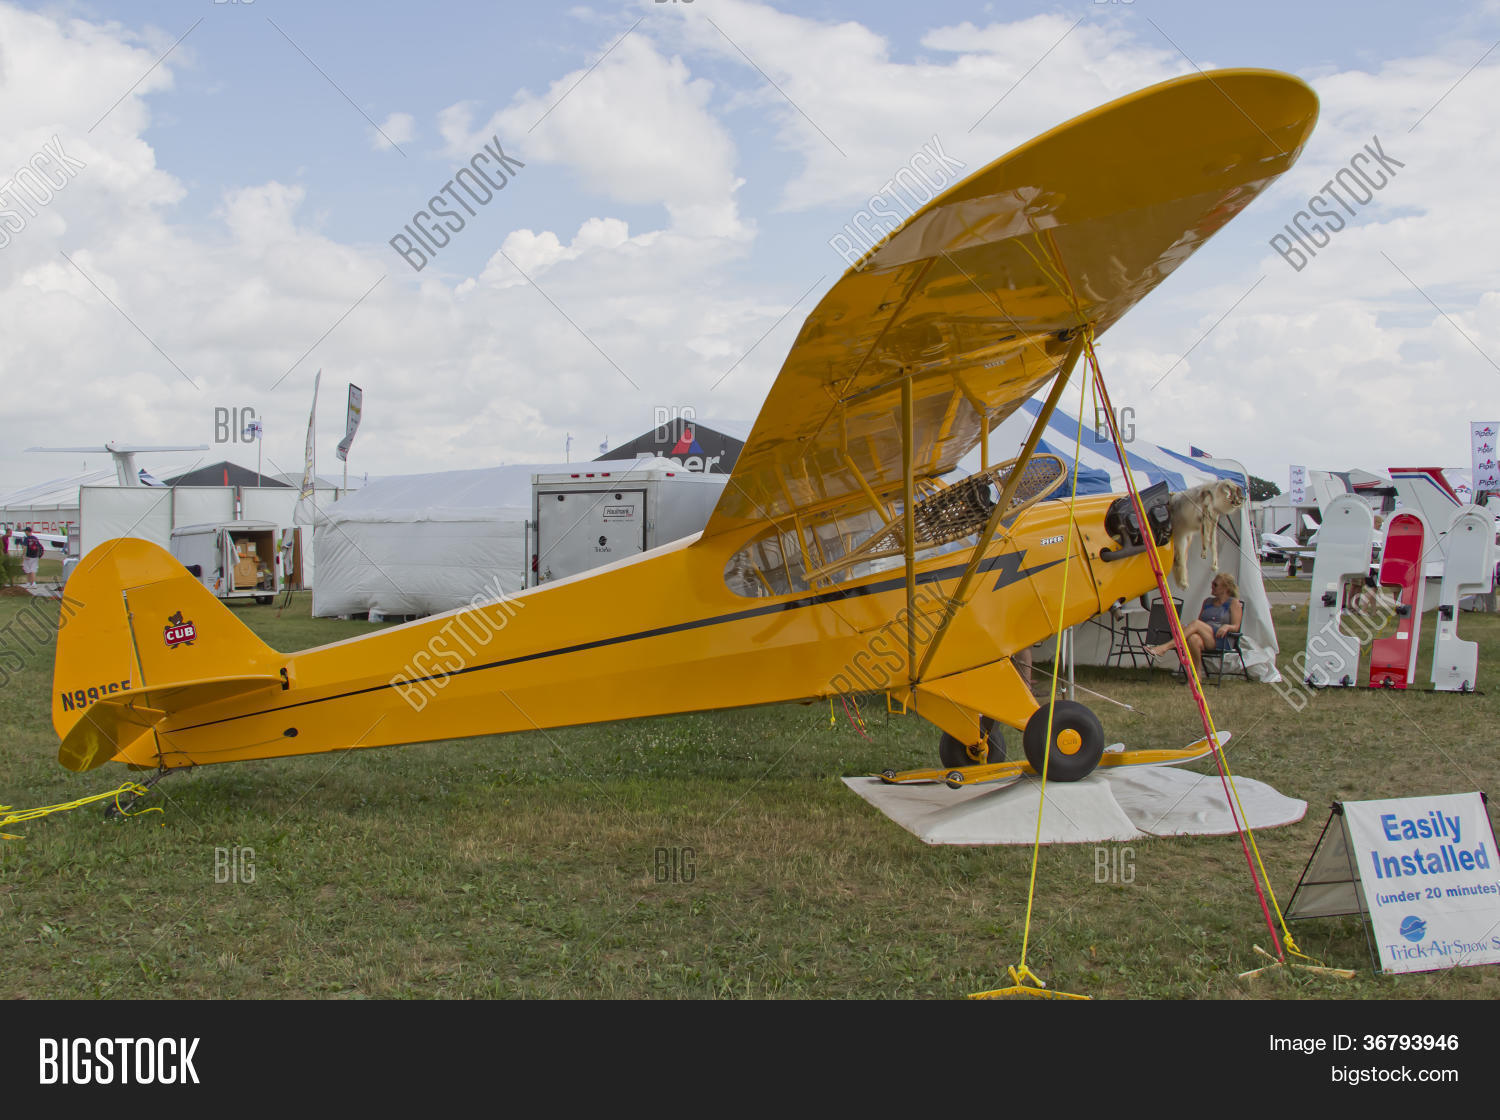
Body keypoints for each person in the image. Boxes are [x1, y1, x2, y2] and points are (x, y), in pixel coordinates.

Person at [1146, 572, 1242, 682]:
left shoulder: (1233, 603)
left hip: (1222, 638)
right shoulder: (1208, 602)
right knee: (1192, 638)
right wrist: (1187, 628)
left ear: (1226, 588)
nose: (1212, 586)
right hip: (1207, 636)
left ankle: (1165, 647)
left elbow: (1236, 626)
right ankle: (1197, 675)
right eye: (1212, 583)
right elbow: (1201, 623)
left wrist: (1227, 627)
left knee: (1195, 624)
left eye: (1215, 584)